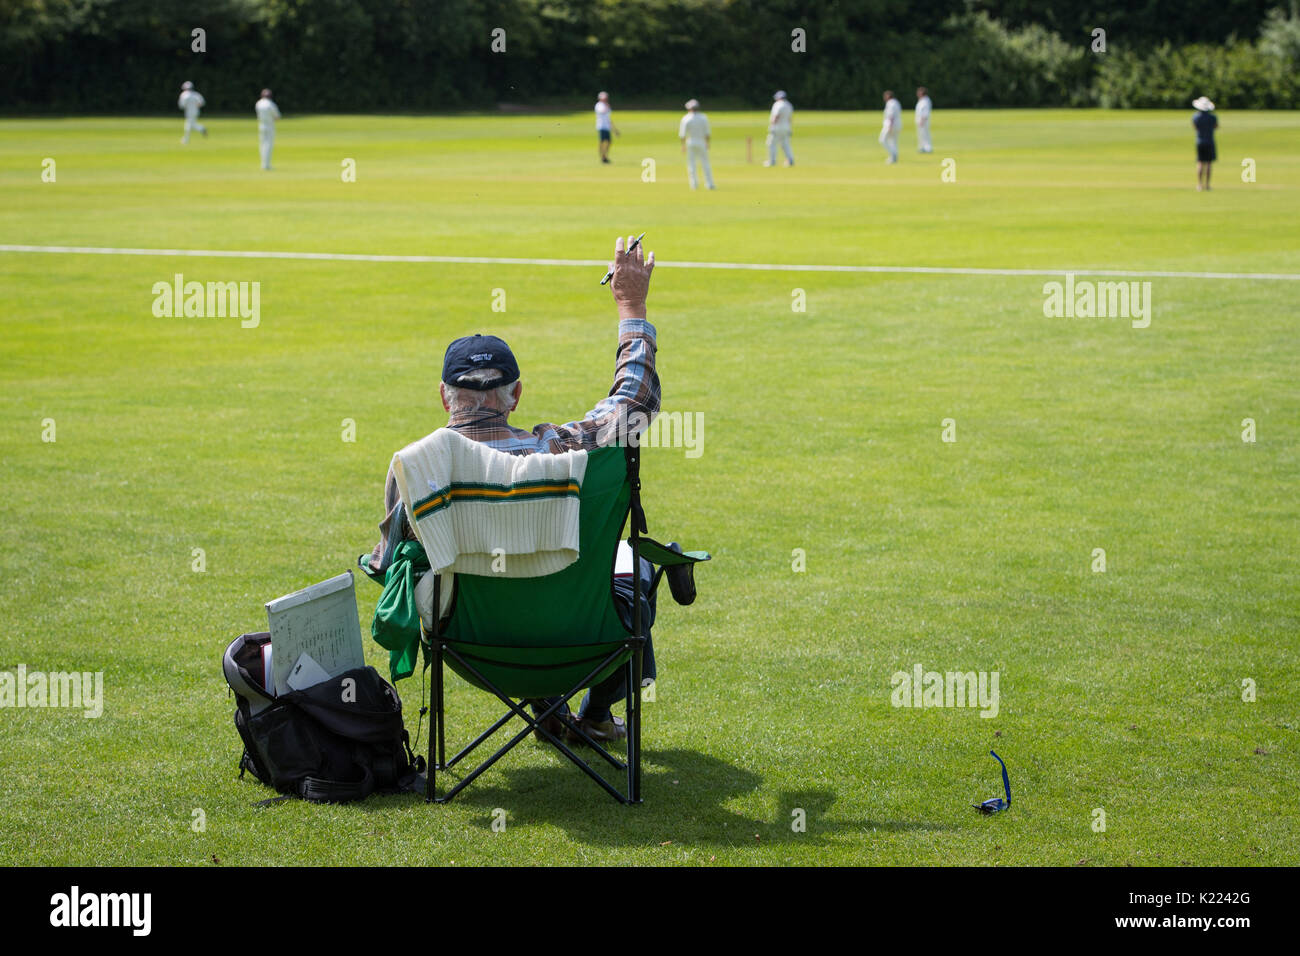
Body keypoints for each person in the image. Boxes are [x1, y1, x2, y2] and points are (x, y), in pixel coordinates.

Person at [366, 236, 687, 745]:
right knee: (638, 567)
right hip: (585, 640)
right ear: (516, 394)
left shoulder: (415, 468)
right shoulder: (561, 452)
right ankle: (595, 714)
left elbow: (387, 567)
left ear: (444, 399)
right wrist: (632, 306)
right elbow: (635, 401)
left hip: (470, 647)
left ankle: (551, 710)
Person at [679, 99, 715, 190]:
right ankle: (709, 184)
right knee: (705, 164)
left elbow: (682, 134)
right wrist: (707, 143)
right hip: (701, 142)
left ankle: (694, 184)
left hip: (691, 142)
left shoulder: (686, 118)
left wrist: (683, 145)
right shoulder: (703, 117)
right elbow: (707, 132)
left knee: (692, 164)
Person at [1192, 95, 1217, 191]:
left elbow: (1195, 127)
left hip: (1200, 141)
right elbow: (1216, 126)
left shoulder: (1196, 117)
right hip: (1210, 141)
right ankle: (1207, 185)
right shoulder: (1212, 117)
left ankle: (1199, 184)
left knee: (1200, 163)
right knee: (1209, 163)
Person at [765, 90, 794, 167]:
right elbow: (790, 119)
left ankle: (772, 161)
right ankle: (790, 160)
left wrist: (772, 125)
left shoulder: (777, 104)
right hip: (786, 127)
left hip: (777, 127)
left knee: (771, 144)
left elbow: (776, 117)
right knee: (786, 144)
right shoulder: (789, 105)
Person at [255, 89, 281, 171]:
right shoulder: (271, 104)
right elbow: (277, 117)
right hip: (269, 126)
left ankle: (263, 164)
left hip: (261, 125)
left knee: (262, 144)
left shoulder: (258, 103)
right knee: (268, 145)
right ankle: (266, 165)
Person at [595, 91, 619, 163]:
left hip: (607, 126)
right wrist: (606, 105)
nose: (605, 99)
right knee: (602, 142)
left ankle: (605, 156)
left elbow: (608, 118)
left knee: (609, 142)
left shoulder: (607, 105)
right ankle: (602, 156)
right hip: (601, 126)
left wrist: (614, 129)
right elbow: (602, 111)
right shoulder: (599, 105)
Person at [879, 90, 902, 164]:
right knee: (893, 142)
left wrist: (890, 125)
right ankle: (893, 157)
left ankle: (893, 155)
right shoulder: (896, 102)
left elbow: (891, 115)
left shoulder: (890, 103)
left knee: (882, 140)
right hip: (897, 125)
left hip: (890, 125)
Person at [915, 86, 932, 153]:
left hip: (923, 121)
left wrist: (922, 120)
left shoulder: (925, 101)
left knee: (925, 135)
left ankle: (928, 148)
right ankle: (922, 147)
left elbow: (925, 112)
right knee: (921, 135)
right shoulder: (922, 100)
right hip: (921, 120)